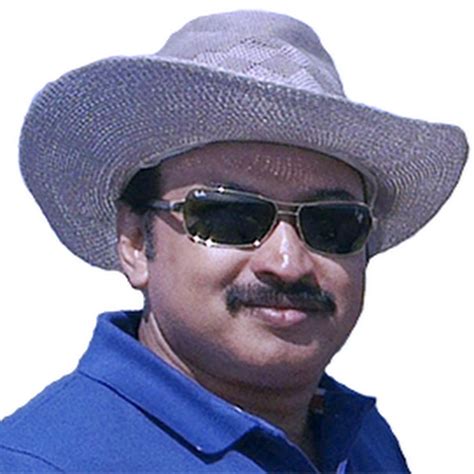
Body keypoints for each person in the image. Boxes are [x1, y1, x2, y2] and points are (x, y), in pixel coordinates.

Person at [0, 9, 468, 473]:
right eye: (231, 217)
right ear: (136, 242)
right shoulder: (39, 464)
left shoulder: (361, 438)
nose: (287, 262)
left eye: (332, 224)